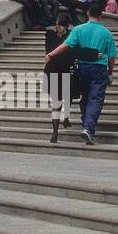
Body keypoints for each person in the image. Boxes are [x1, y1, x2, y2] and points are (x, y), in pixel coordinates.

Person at [45, 0, 117, 145]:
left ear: (88, 13)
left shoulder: (79, 30)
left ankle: (86, 124)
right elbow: (111, 56)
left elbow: (66, 45)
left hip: (82, 68)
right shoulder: (107, 34)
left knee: (85, 98)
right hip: (99, 68)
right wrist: (110, 71)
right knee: (95, 99)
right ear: (101, 15)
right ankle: (88, 127)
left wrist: (50, 54)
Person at [43, 13, 78, 143]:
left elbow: (47, 50)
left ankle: (55, 131)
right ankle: (66, 117)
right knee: (68, 96)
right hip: (65, 69)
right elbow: (72, 53)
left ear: (57, 22)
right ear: (68, 24)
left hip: (51, 70)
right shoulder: (71, 35)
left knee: (56, 103)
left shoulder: (49, 35)